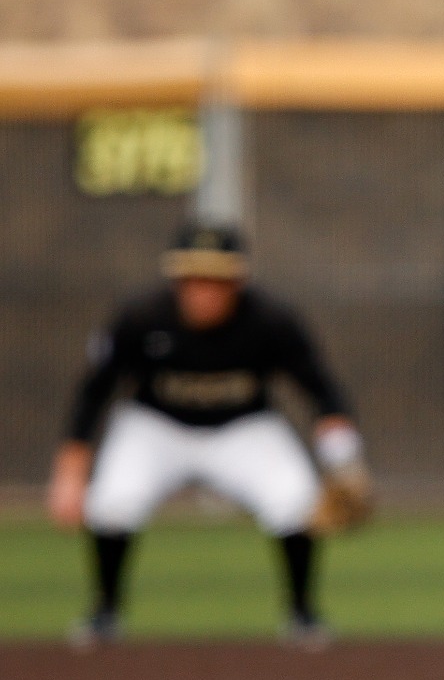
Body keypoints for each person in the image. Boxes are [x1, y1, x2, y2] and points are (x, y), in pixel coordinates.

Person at [44, 222, 370, 649]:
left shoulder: (271, 319)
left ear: (238, 280)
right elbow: (94, 391)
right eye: (193, 279)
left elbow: (322, 390)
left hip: (243, 427)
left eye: (216, 279)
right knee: (112, 500)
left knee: (295, 499)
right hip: (155, 425)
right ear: (176, 280)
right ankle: (104, 613)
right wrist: (70, 473)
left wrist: (344, 458)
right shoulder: (142, 315)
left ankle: (303, 615)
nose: (204, 291)